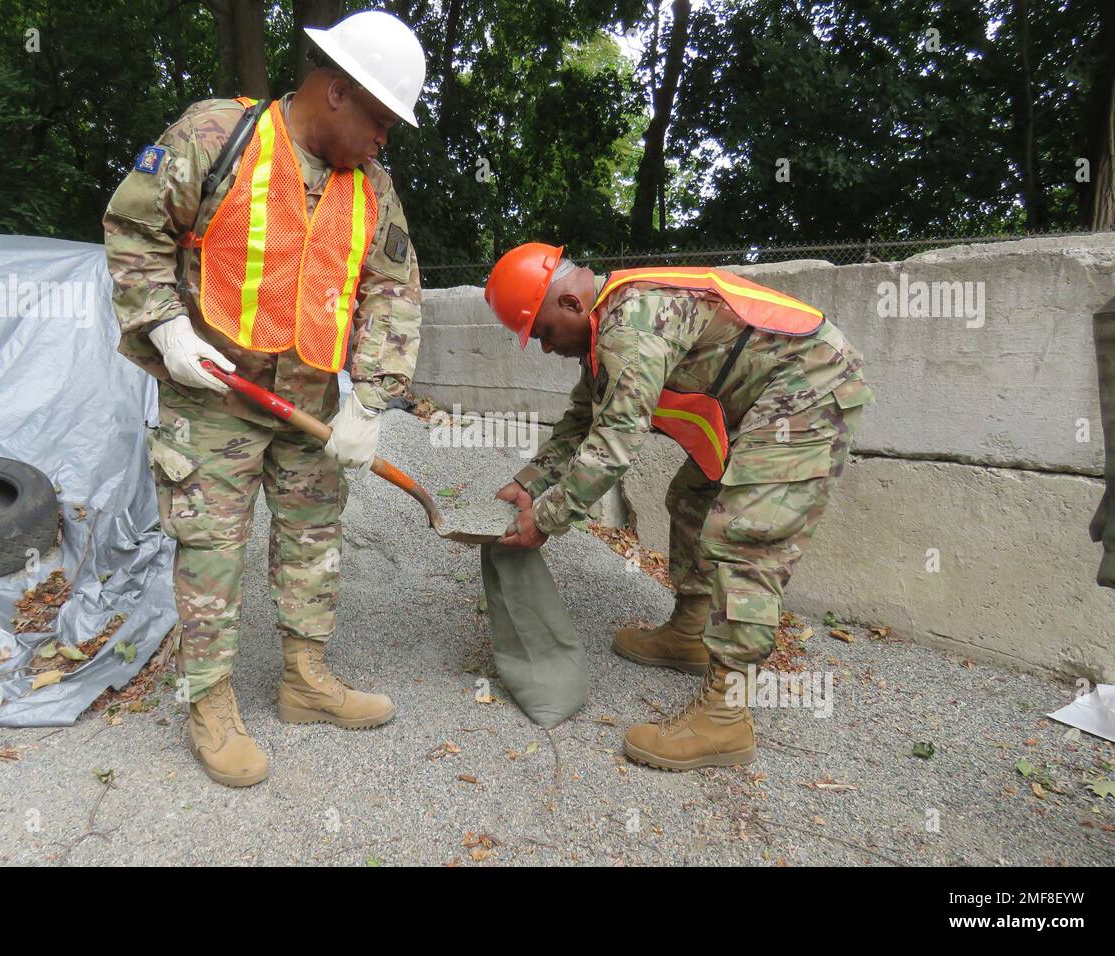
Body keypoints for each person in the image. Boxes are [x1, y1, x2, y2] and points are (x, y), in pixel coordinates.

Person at [102, 10, 425, 787]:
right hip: (214, 393)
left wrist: (370, 401)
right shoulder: (220, 135)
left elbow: (393, 291)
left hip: (310, 398)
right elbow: (134, 225)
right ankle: (209, 705)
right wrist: (165, 327)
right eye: (381, 122)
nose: (385, 141)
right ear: (337, 92)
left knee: (314, 537)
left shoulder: (372, 187)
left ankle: (305, 680)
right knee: (211, 552)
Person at [485, 243, 873, 770]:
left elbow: (616, 442)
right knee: (691, 497)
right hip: (771, 395)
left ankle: (725, 719)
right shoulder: (608, 328)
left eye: (545, 334)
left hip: (808, 388)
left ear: (572, 306)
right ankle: (691, 631)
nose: (548, 350)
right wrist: (529, 484)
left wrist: (547, 521)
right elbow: (583, 422)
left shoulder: (631, 326)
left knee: (745, 536)